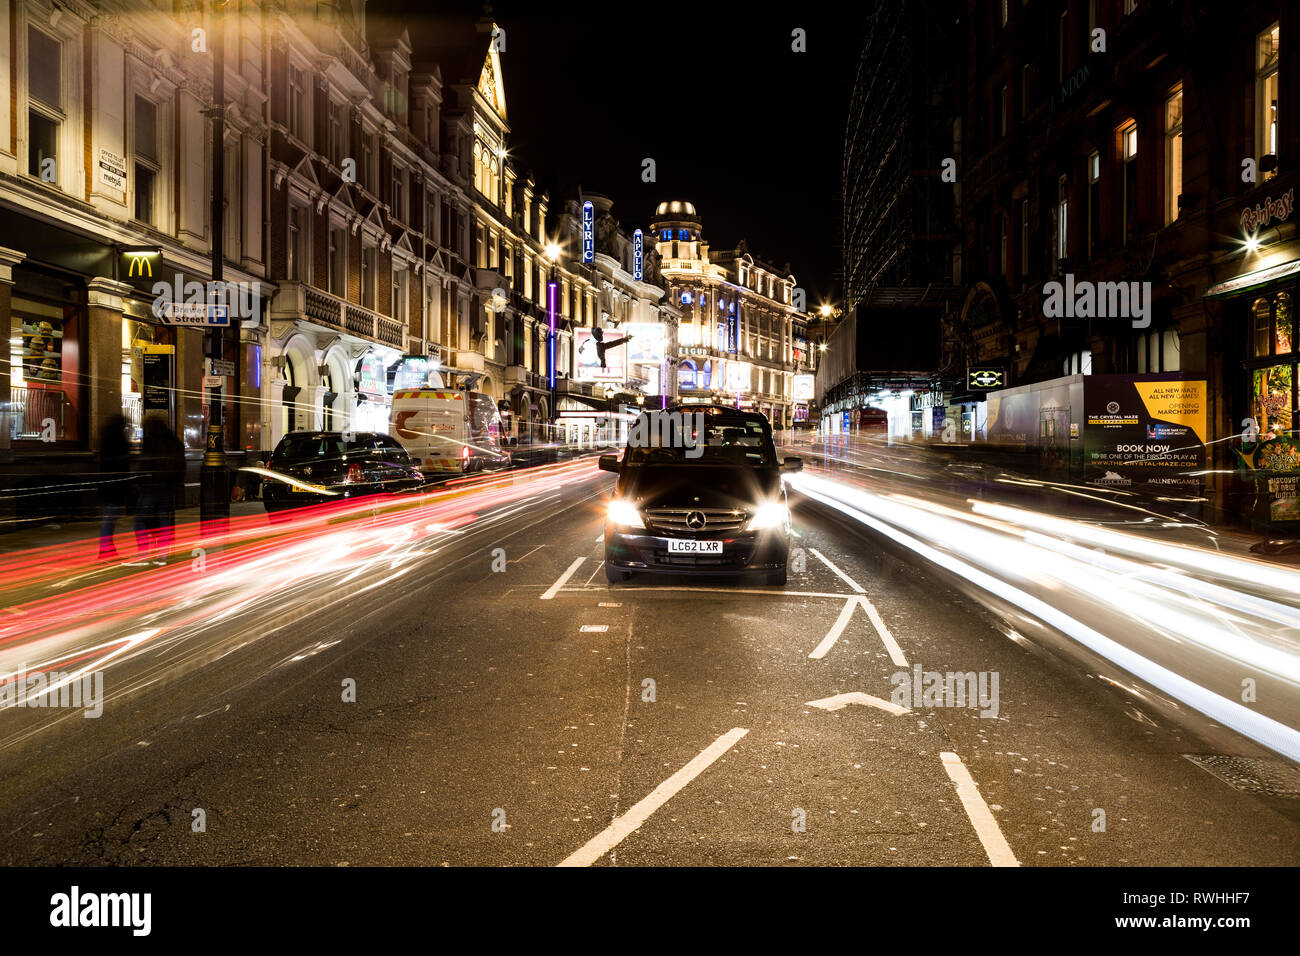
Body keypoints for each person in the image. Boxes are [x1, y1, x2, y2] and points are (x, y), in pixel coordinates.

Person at [128, 417, 186, 566]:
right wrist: (177, 485)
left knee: (139, 518)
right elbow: (181, 466)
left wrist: (137, 481)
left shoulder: (151, 442)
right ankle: (162, 555)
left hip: (151, 487)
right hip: (168, 487)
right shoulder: (175, 442)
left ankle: (143, 553)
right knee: (164, 519)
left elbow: (146, 464)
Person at [97, 414, 132, 559]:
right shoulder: (118, 439)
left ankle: (108, 548)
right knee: (110, 517)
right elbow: (120, 462)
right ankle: (105, 549)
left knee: (109, 516)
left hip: (107, 483)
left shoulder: (107, 437)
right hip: (115, 484)